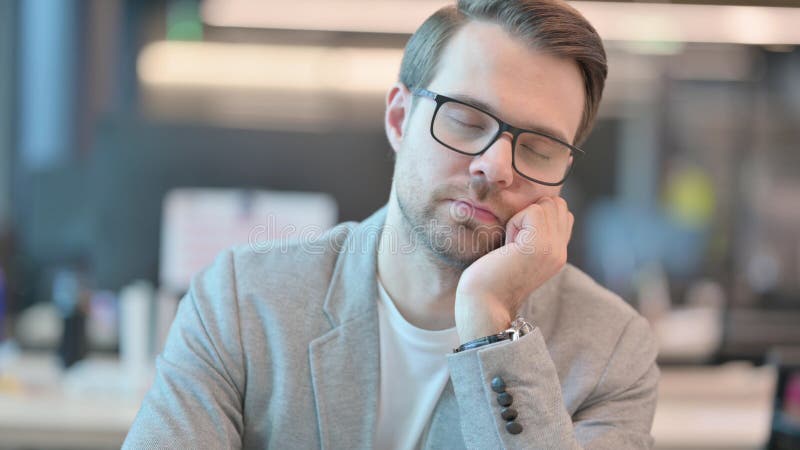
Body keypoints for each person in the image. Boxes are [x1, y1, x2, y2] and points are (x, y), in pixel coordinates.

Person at [124, 0, 659, 448]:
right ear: (400, 119)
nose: (494, 167)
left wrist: (490, 325)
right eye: (466, 120)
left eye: (540, 148)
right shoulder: (243, 302)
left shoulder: (613, 351)